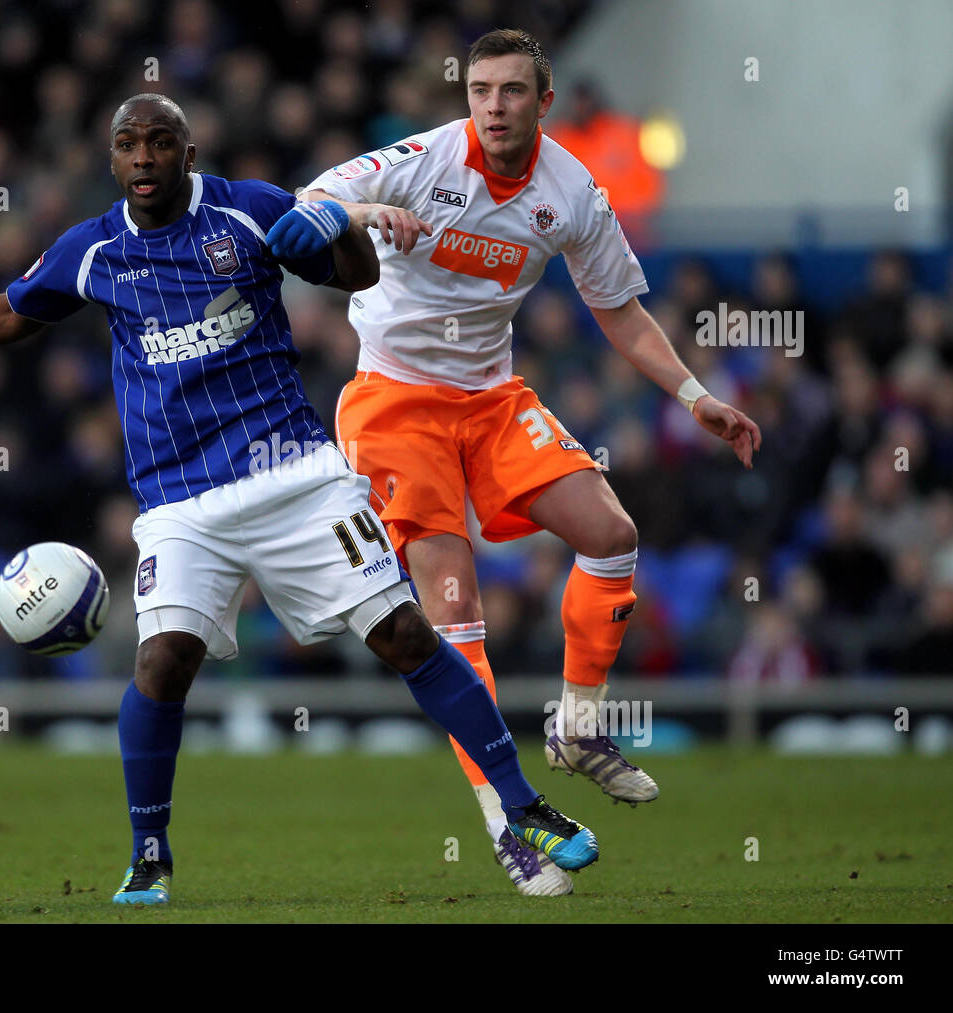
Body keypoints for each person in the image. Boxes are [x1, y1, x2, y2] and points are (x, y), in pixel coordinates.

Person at [0, 93, 595, 904]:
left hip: (293, 476)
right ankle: (149, 853)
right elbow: (15, 313)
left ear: (189, 153)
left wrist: (337, 230)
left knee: (403, 633)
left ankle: (522, 806)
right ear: (113, 160)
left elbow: (356, 277)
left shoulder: (250, 210)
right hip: (180, 500)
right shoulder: (93, 251)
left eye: (161, 142)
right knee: (162, 661)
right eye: (129, 145)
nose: (144, 157)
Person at [291, 30, 761, 897]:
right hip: (396, 402)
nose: (494, 107)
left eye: (512, 91)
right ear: (465, 96)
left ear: (545, 103)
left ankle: (578, 726)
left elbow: (618, 312)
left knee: (611, 532)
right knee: (453, 605)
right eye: (479, 90)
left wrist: (695, 396)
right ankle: (508, 828)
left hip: (494, 399)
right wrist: (361, 215)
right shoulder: (423, 160)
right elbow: (310, 198)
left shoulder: (572, 189)